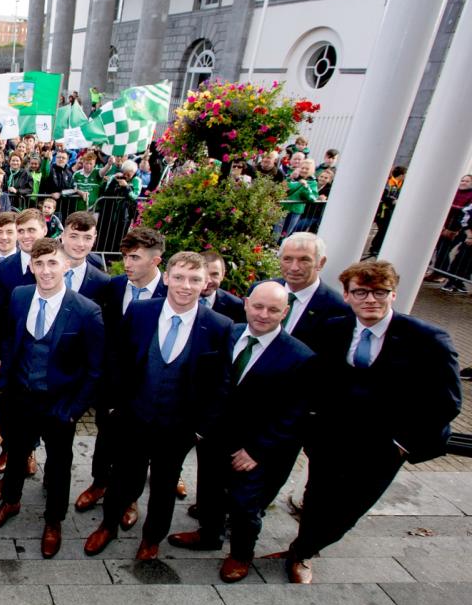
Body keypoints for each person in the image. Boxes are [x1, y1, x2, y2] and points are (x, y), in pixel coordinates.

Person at [284, 261, 461, 583]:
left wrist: (402, 444)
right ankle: (303, 545)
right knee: (316, 497)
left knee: (348, 509)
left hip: (383, 448)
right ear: (348, 296)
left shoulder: (427, 340)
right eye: (361, 292)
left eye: (380, 292)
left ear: (393, 295)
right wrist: (309, 425)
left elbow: (447, 402)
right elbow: (311, 379)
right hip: (330, 439)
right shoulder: (333, 328)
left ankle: (306, 551)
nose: (371, 300)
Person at [84, 252, 232, 560]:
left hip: (178, 428)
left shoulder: (219, 326)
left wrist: (202, 429)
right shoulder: (140, 313)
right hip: (133, 418)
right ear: (166, 277)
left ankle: (151, 539)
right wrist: (112, 405)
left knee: (164, 487)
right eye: (178, 277)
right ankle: (108, 526)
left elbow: (220, 383)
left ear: (205, 283)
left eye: (194, 279)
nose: (185, 286)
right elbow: (117, 359)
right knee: (123, 478)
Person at [167, 281, 315, 582]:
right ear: (246, 303)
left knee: (245, 505)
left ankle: (240, 554)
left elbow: (293, 413)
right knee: (208, 489)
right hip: (214, 436)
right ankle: (209, 535)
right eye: (258, 306)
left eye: (273, 310)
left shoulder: (299, 356)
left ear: (284, 312)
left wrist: (257, 450)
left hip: (255, 446)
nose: (263, 314)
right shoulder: (229, 334)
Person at [0, 238, 104, 558]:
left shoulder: (86, 311)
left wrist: (73, 409)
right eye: (40, 264)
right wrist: (5, 387)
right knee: (16, 452)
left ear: (65, 265)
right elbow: (11, 340)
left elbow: (94, 370)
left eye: (53, 263)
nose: (46, 270)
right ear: (31, 267)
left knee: (60, 464)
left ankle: (53, 520)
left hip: (59, 405)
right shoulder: (20, 296)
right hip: (20, 397)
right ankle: (11, 501)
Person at [270, 232, 349, 351]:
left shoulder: (337, 307)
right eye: (287, 259)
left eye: (304, 260)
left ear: (320, 263)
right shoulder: (261, 290)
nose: (294, 267)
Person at [59, 211, 111, 301]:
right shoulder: (41, 271)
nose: (80, 244)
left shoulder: (101, 281)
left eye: (87, 238)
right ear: (63, 237)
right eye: (74, 236)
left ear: (94, 239)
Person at [201, 251, 245, 323]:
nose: (208, 280)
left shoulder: (235, 306)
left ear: (223, 275)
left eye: (214, 274)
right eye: (203, 274)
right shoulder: (178, 298)